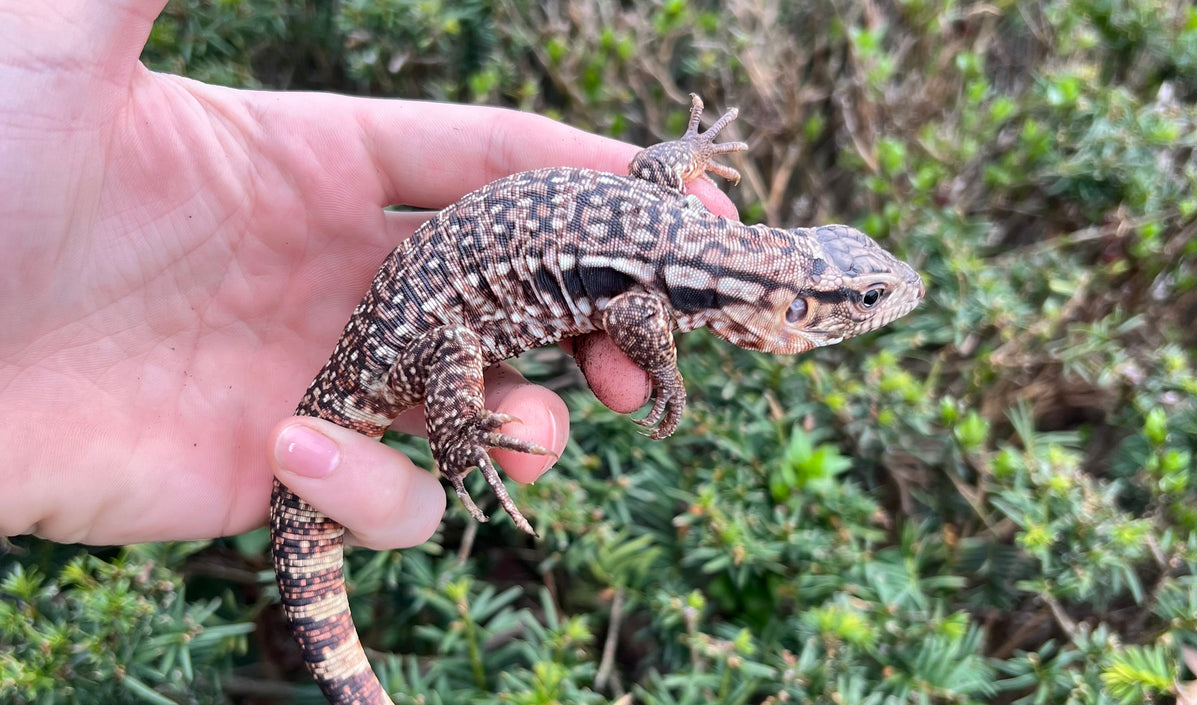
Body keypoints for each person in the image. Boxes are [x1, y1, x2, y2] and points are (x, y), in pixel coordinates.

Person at [0, 0, 736, 548]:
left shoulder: (698, 238)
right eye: (857, 302)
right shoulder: (695, 259)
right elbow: (638, 309)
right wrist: (665, 373)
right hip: (428, 318)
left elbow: (654, 173)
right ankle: (458, 444)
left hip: (428, 296)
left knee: (455, 360)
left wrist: (689, 152)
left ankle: (459, 440)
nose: (858, 316)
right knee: (454, 348)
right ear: (794, 312)